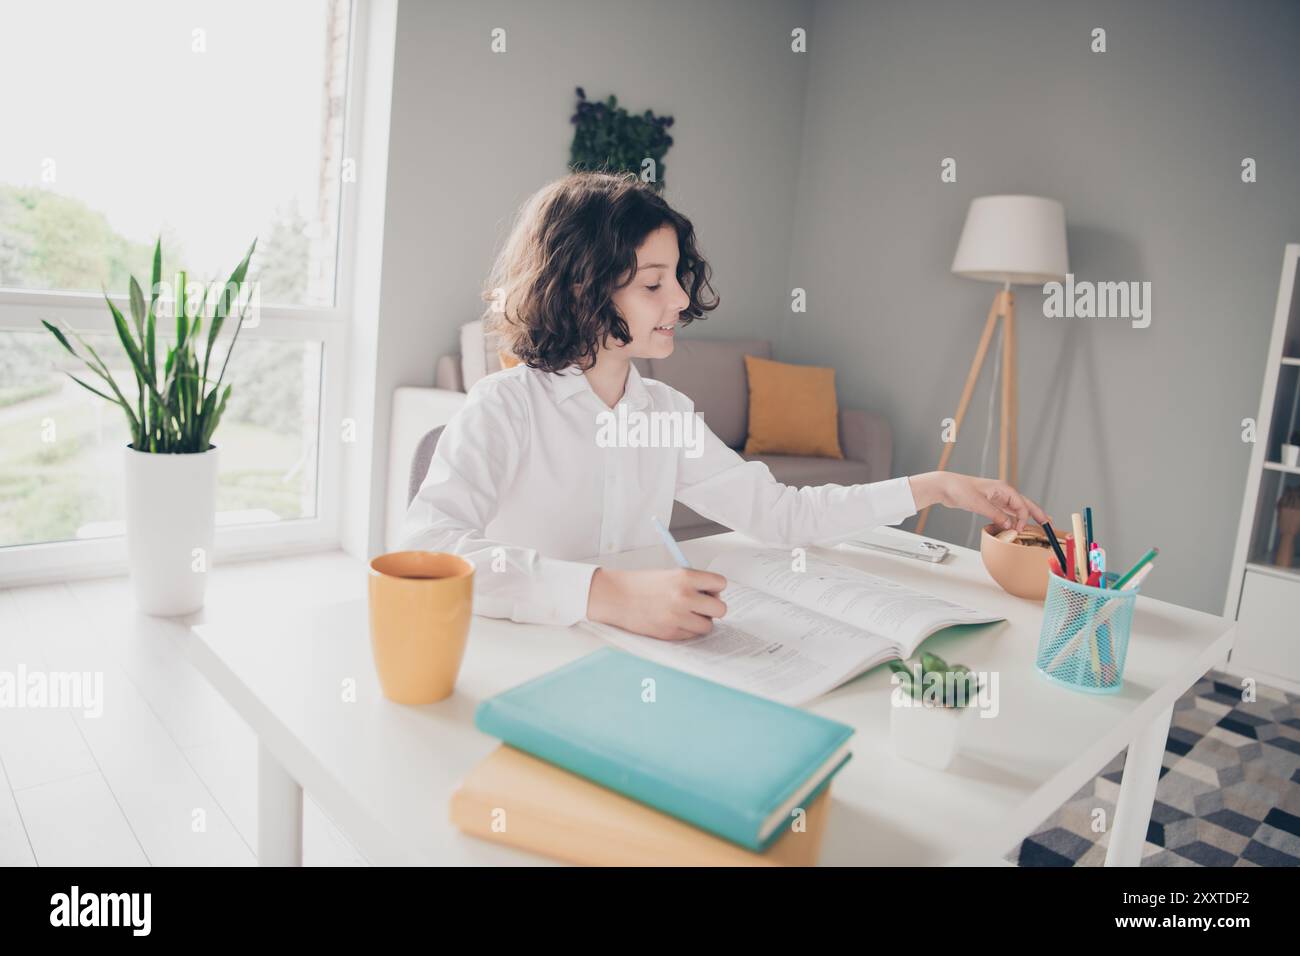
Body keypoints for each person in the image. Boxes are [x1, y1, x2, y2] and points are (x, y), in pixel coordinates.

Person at [400, 171, 1048, 641]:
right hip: (524, 658)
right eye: (654, 283)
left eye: (678, 277)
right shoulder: (505, 409)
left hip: (643, 660)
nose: (681, 300)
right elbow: (430, 548)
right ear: (580, 289)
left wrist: (932, 486)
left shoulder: (665, 414)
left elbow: (780, 515)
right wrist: (603, 592)